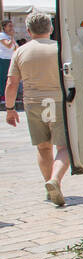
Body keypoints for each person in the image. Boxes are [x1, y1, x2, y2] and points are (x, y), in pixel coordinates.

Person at [4, 12, 70, 205]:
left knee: (43, 147)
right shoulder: (60, 49)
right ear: (50, 28)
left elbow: (11, 83)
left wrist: (9, 109)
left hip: (33, 102)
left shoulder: (20, 51)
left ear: (28, 31)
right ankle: (55, 179)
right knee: (64, 147)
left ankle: (49, 187)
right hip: (58, 101)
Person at [0, 20, 16, 108]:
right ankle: (3, 95)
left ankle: (11, 95)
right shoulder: (2, 36)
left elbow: (15, 48)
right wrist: (12, 37)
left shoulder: (9, 37)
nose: (11, 28)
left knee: (11, 78)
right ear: (4, 27)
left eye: (12, 26)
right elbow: (8, 45)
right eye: (9, 26)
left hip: (11, 59)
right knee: (3, 78)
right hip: (3, 59)